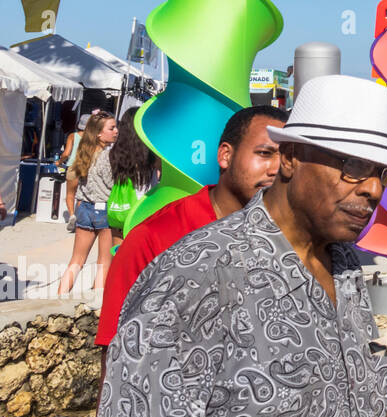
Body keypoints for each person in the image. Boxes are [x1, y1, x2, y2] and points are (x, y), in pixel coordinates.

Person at [94, 76, 387, 417]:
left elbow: (336, 409)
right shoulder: (196, 276)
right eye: (353, 165)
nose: (373, 189)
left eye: (382, 173)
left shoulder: (343, 265)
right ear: (290, 159)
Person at [96, 106, 290, 359]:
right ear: (225, 155)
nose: (276, 169)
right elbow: (115, 349)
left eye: (287, 159)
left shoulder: (289, 238)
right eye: (265, 153)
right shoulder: (154, 236)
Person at [57, 114, 118, 295]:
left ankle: (61, 297)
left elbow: (72, 181)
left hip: (84, 207)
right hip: (104, 208)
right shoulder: (108, 157)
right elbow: (111, 184)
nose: (116, 131)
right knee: (104, 262)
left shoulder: (83, 154)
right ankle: (98, 303)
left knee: (76, 260)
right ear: (99, 134)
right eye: (111, 128)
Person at [103, 107, 158, 239]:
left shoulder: (114, 154)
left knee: (117, 254)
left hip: (122, 211)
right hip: (145, 211)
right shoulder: (151, 155)